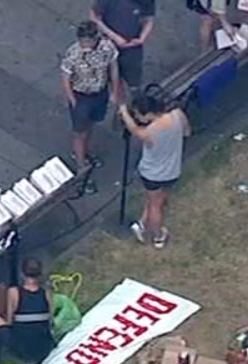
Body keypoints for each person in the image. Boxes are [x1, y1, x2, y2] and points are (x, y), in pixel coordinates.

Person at [120, 91, 189, 249]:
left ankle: (157, 235)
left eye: (138, 115)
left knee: (154, 205)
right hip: (172, 170)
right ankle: (143, 224)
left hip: (152, 174)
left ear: (147, 114)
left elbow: (134, 130)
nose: (138, 119)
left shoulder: (150, 132)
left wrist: (124, 111)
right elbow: (187, 132)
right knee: (157, 199)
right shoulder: (178, 115)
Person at [60, 21, 120, 185]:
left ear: (96, 38)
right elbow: (65, 79)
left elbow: (113, 68)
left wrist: (114, 92)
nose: (85, 45)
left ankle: (84, 153)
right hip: (81, 97)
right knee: (80, 132)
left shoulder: (107, 48)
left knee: (90, 126)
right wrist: (73, 102)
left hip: (100, 93)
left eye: (88, 41)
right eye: (83, 41)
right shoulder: (72, 54)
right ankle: (81, 168)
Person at [0, 258, 55, 364]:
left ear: (22, 274)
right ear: (40, 273)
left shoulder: (14, 292)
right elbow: (50, 320)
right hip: (45, 348)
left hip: (23, 350)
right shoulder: (46, 293)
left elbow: (10, 322)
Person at [91, 0, 155, 104]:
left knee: (134, 79)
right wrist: (114, 37)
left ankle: (138, 103)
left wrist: (142, 38)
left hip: (133, 49)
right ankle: (120, 103)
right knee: (113, 77)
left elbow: (148, 19)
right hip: (109, 47)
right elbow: (94, 17)